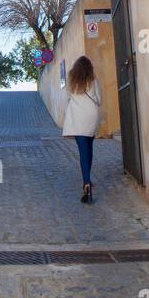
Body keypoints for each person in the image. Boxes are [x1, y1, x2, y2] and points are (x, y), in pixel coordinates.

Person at [60, 55, 102, 203]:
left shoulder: (72, 82)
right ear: (89, 67)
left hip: (77, 118)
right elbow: (99, 99)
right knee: (89, 149)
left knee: (82, 151)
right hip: (91, 116)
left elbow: (68, 98)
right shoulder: (93, 80)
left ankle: (86, 182)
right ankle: (87, 179)